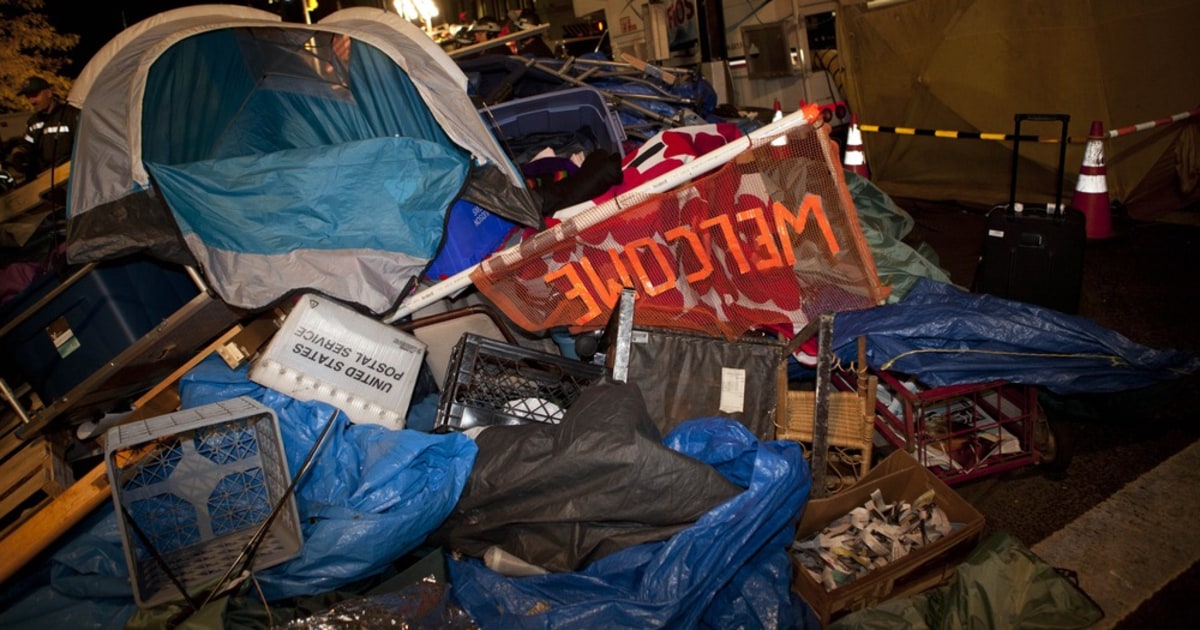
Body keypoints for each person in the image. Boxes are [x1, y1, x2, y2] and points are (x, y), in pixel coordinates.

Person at [11, 75, 80, 182]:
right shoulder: (33, 122)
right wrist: (18, 154)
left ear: (48, 93)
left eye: (34, 95)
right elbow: (26, 144)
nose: (32, 101)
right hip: (44, 180)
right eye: (28, 97)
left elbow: (84, 146)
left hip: (70, 178)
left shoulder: (70, 115)